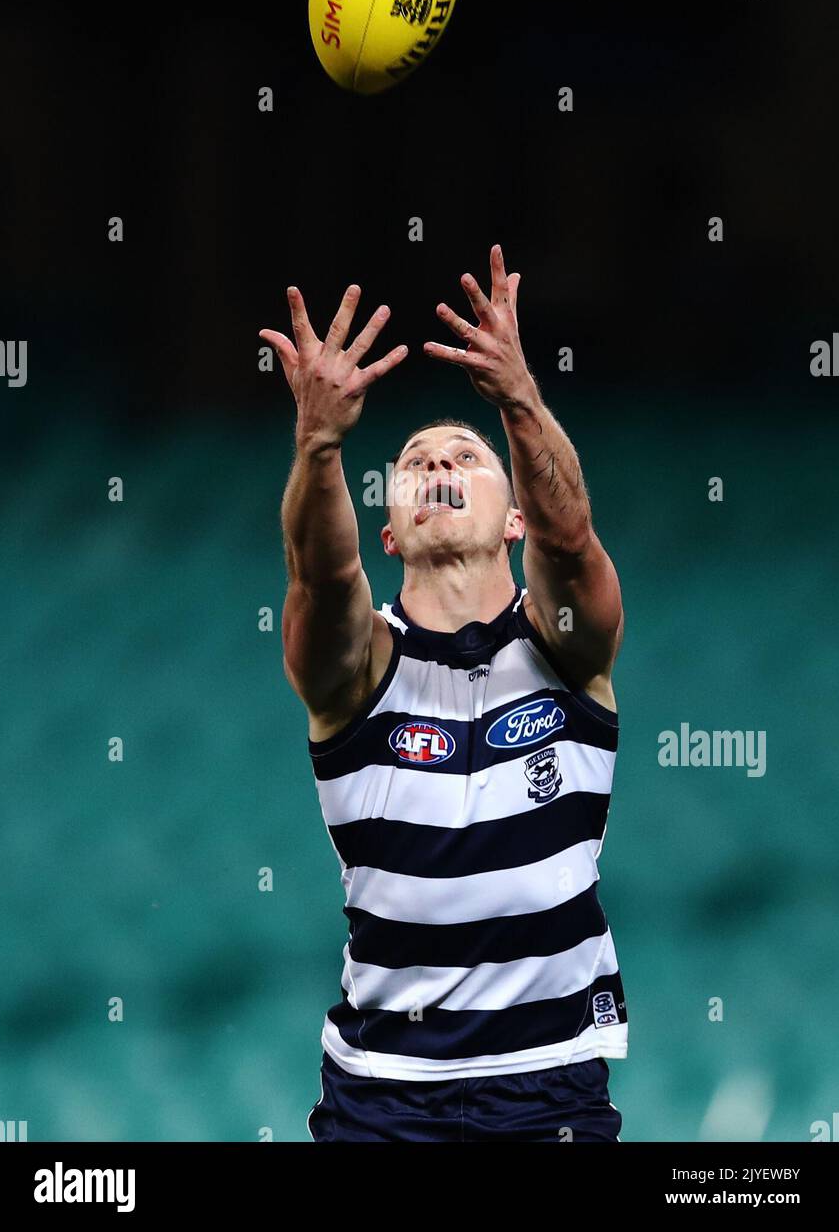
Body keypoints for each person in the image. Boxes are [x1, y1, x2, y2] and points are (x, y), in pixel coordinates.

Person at [259, 244, 627, 1142]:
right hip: (382, 1095)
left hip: (549, 1087)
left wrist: (516, 398)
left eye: (464, 452)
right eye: (414, 459)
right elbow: (321, 571)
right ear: (388, 529)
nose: (435, 462)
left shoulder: (566, 652)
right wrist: (319, 444)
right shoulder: (358, 673)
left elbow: (573, 542)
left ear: (512, 516)